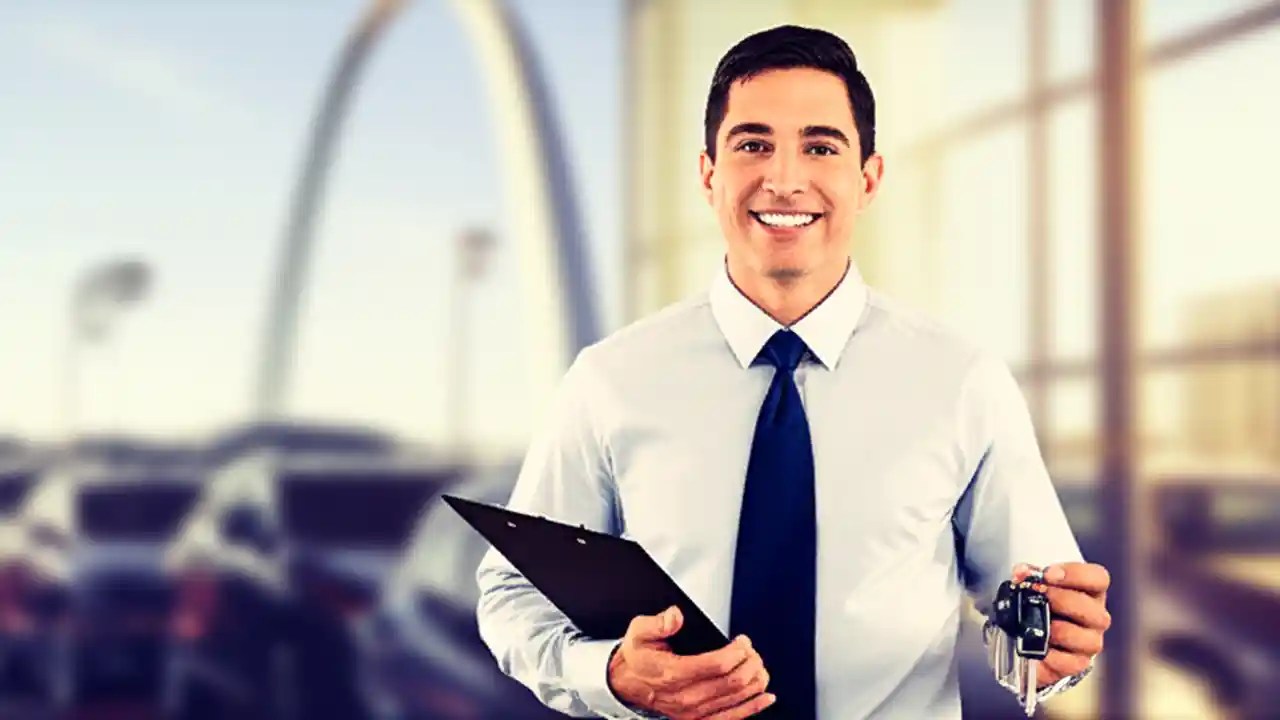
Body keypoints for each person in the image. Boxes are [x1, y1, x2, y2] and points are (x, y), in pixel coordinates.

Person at [474, 25, 1111, 720]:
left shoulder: (962, 381)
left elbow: (1032, 621)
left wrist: (1052, 654)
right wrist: (611, 675)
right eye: (752, 145)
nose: (783, 179)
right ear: (708, 174)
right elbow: (513, 595)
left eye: (820, 146)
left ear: (868, 178)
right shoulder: (609, 380)